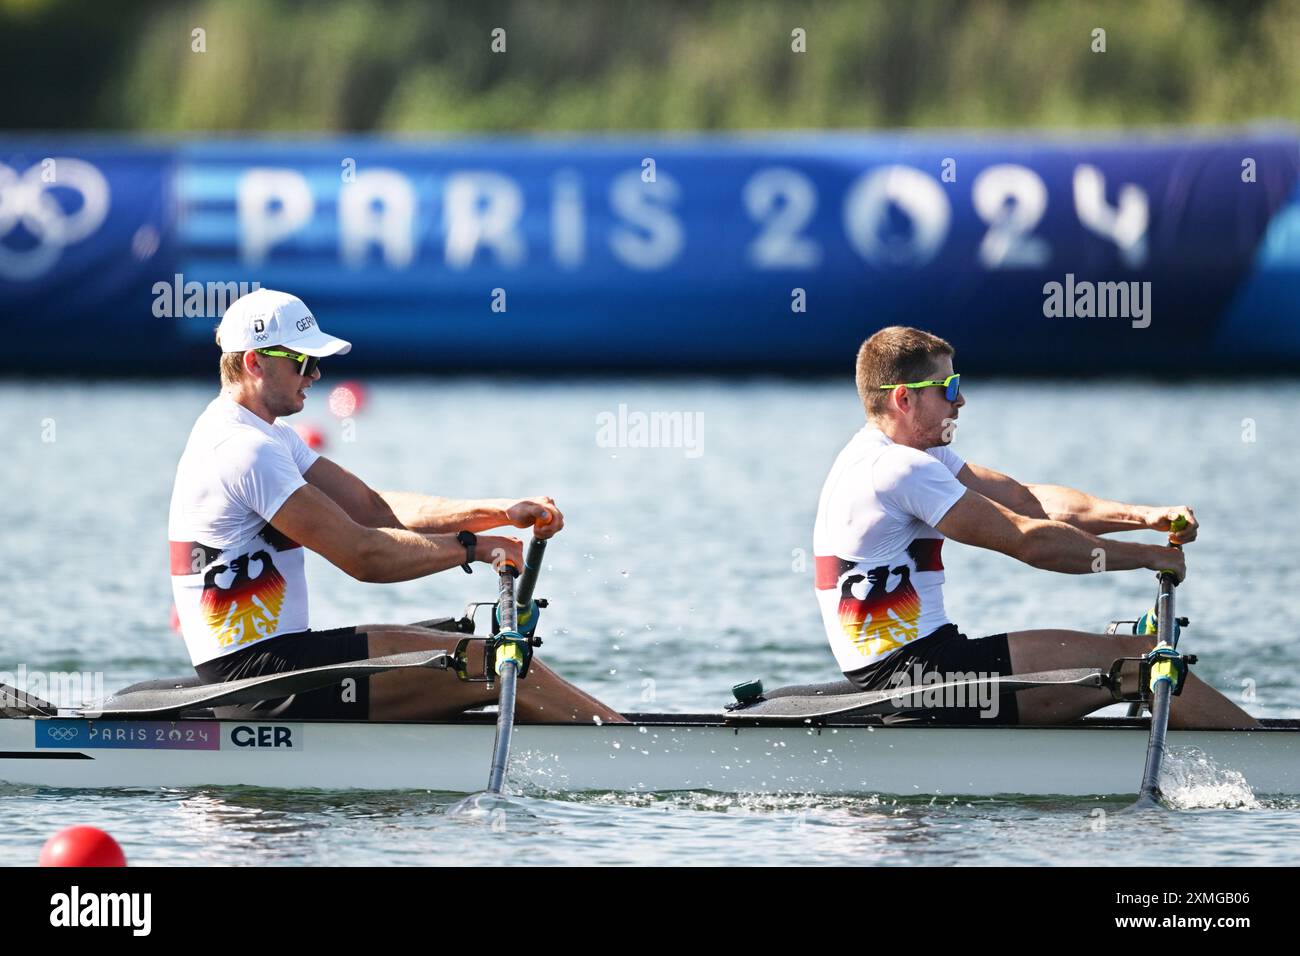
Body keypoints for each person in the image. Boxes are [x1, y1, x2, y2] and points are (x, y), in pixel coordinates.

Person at [168, 288, 623, 723]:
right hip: (258, 683)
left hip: (280, 661)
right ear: (254, 362)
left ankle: (611, 744)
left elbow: (373, 508)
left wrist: (504, 510)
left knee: (480, 654)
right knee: (504, 666)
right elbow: (363, 555)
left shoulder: (268, 436)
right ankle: (647, 764)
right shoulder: (243, 449)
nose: (316, 375)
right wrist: (475, 548)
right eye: (304, 361)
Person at [812, 325, 1256, 728]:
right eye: (949, 387)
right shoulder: (898, 468)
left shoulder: (899, 455)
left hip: (915, 665)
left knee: (1130, 662)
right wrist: (1147, 557)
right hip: (917, 673)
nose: (961, 400)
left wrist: (1141, 517)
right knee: (1144, 662)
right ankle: (1268, 767)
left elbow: (1029, 502)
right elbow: (1029, 542)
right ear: (904, 398)